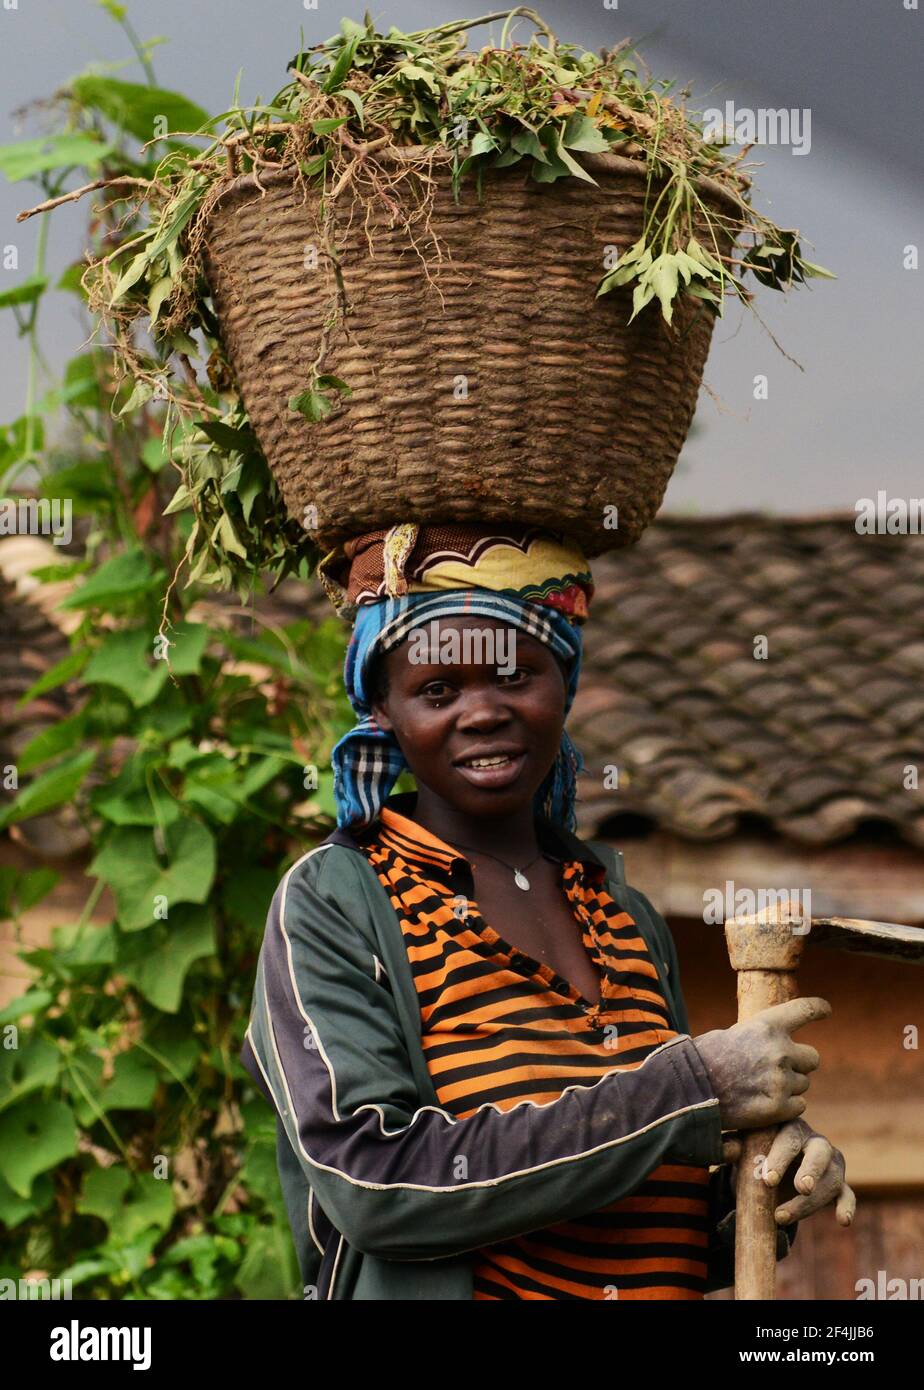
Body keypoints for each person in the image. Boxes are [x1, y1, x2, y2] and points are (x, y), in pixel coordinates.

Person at [241, 522, 855, 1300]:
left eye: (515, 677)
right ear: (384, 715)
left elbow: (634, 1200)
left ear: (564, 684)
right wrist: (688, 1090)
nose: (483, 712)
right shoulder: (338, 901)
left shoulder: (622, 915)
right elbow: (376, 1184)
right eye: (437, 691)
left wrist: (766, 1182)